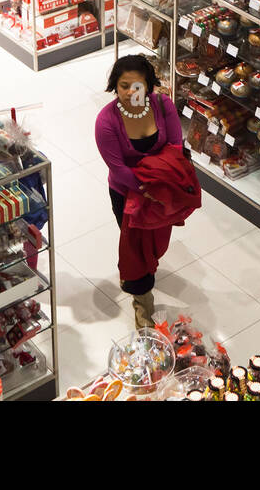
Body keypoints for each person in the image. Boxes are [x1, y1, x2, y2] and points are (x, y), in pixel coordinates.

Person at [94, 54, 186, 329]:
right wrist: (146, 189)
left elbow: (176, 145)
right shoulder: (106, 121)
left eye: (138, 86)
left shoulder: (163, 105)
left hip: (162, 192)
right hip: (127, 195)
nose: (131, 92)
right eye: (124, 85)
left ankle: (148, 268)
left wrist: (160, 187)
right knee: (135, 250)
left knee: (157, 241)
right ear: (114, 85)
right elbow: (118, 167)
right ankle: (142, 305)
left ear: (149, 86)